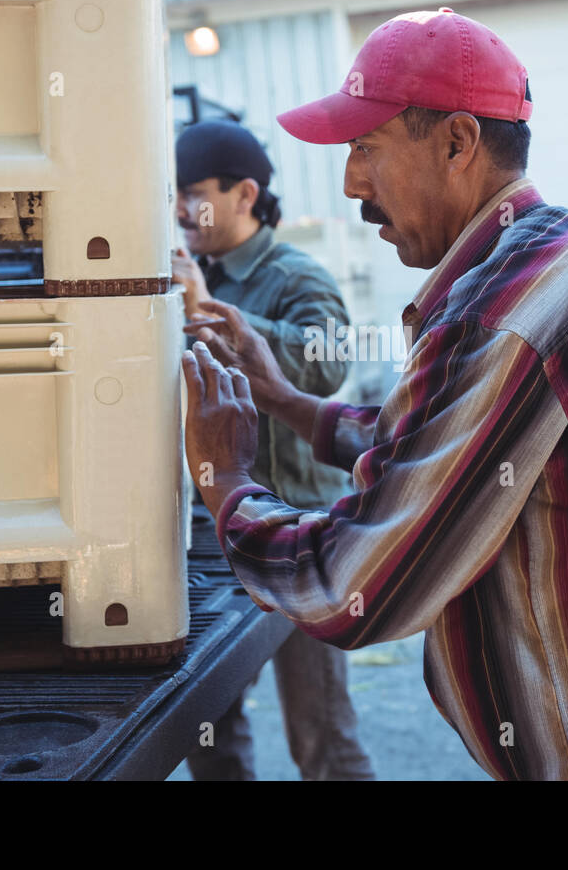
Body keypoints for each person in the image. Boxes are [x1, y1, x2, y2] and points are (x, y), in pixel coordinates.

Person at [180, 8, 568, 780]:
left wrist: (225, 479)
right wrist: (285, 399)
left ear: (458, 143)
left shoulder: (500, 314)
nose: (350, 184)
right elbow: (442, 446)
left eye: (366, 149)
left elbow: (355, 584)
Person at [171, 119, 375, 781]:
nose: (179, 210)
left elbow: (324, 371)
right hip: (213, 537)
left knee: (322, 738)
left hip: (300, 534)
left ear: (244, 194)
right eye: (171, 195)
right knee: (210, 732)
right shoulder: (188, 277)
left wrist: (210, 308)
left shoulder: (295, 275)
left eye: (193, 192)